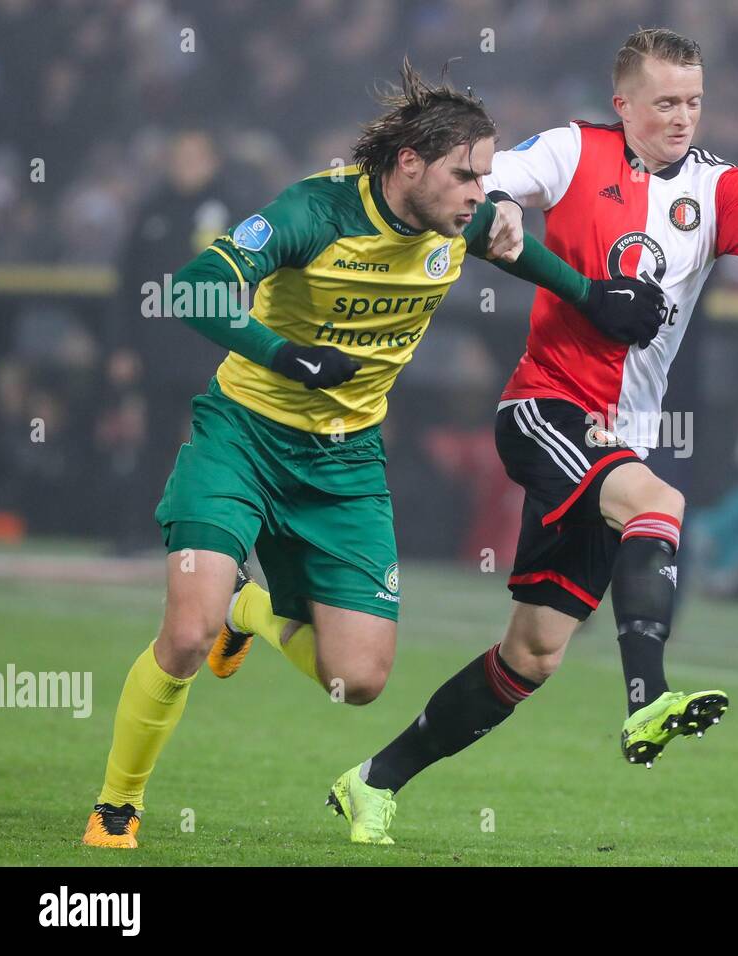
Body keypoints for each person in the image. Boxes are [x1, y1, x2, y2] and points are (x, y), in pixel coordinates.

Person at [81, 61, 660, 849]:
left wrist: (591, 296)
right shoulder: (314, 210)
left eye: (486, 175)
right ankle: (119, 805)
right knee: (185, 634)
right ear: (408, 164)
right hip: (244, 435)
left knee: (358, 684)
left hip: (345, 463)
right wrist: (285, 355)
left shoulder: (467, 219)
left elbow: (514, 248)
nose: (480, 191)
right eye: (465, 174)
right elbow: (192, 287)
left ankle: (251, 610)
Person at [328, 28, 738, 845]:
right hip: (545, 408)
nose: (683, 118)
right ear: (625, 104)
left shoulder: (715, 187)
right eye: (667, 102)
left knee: (531, 656)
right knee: (660, 501)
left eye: (694, 102)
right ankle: (648, 702)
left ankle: (372, 781)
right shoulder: (574, 149)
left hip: (618, 439)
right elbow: (496, 184)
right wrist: (498, 211)